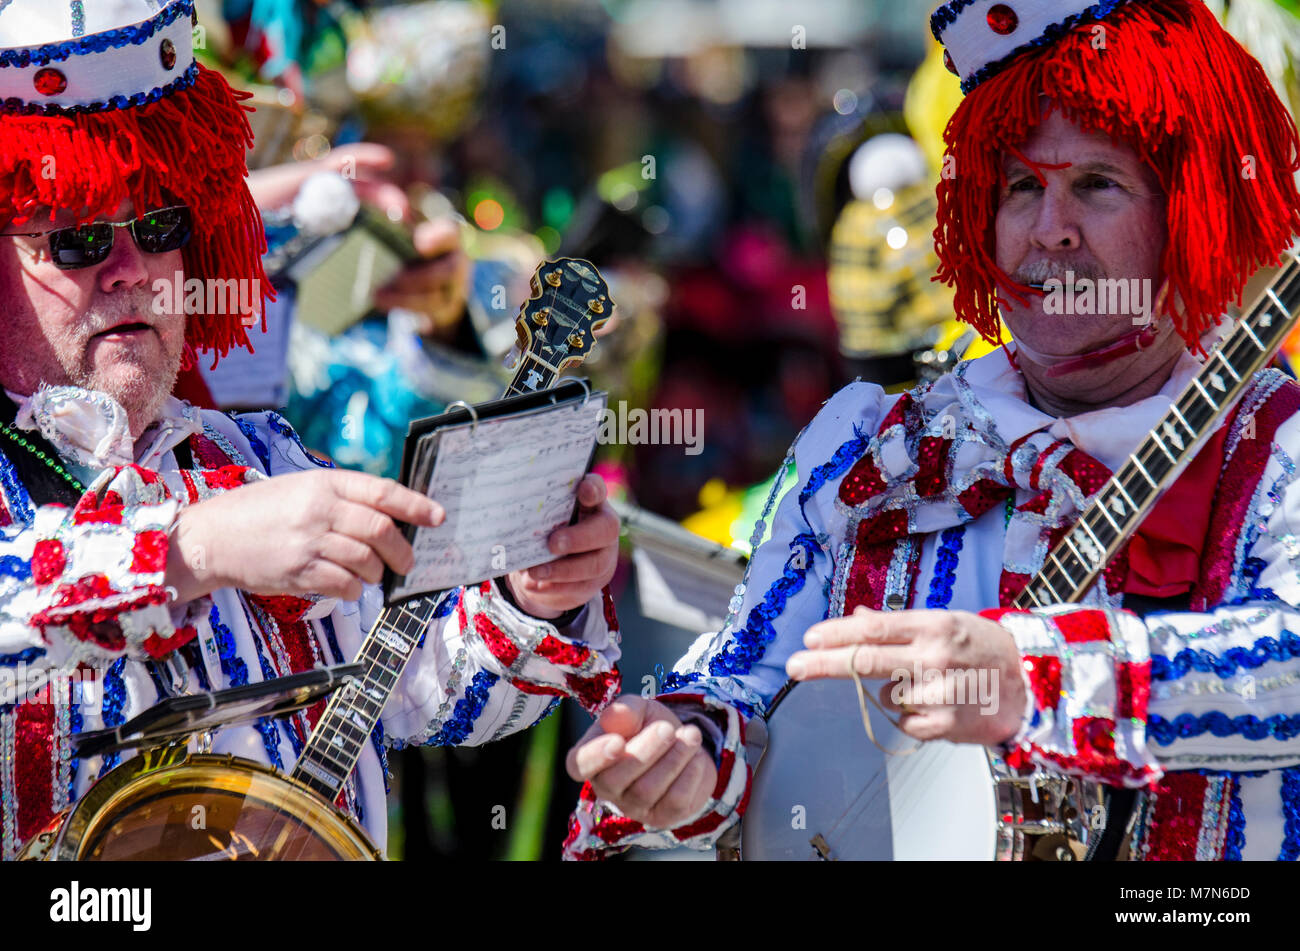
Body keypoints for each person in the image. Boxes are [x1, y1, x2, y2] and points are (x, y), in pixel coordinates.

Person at [563, 0, 1300, 861]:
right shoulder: (871, 443)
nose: (1048, 228)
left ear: (1191, 214)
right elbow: (748, 683)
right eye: (1022, 185)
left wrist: (1040, 679)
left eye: (1098, 184)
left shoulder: (1273, 449)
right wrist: (687, 751)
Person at [0, 0, 621, 860]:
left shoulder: (257, 458)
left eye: (158, 224)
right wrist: (190, 548)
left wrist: (532, 594)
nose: (131, 269)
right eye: (73, 239)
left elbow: (436, 696)